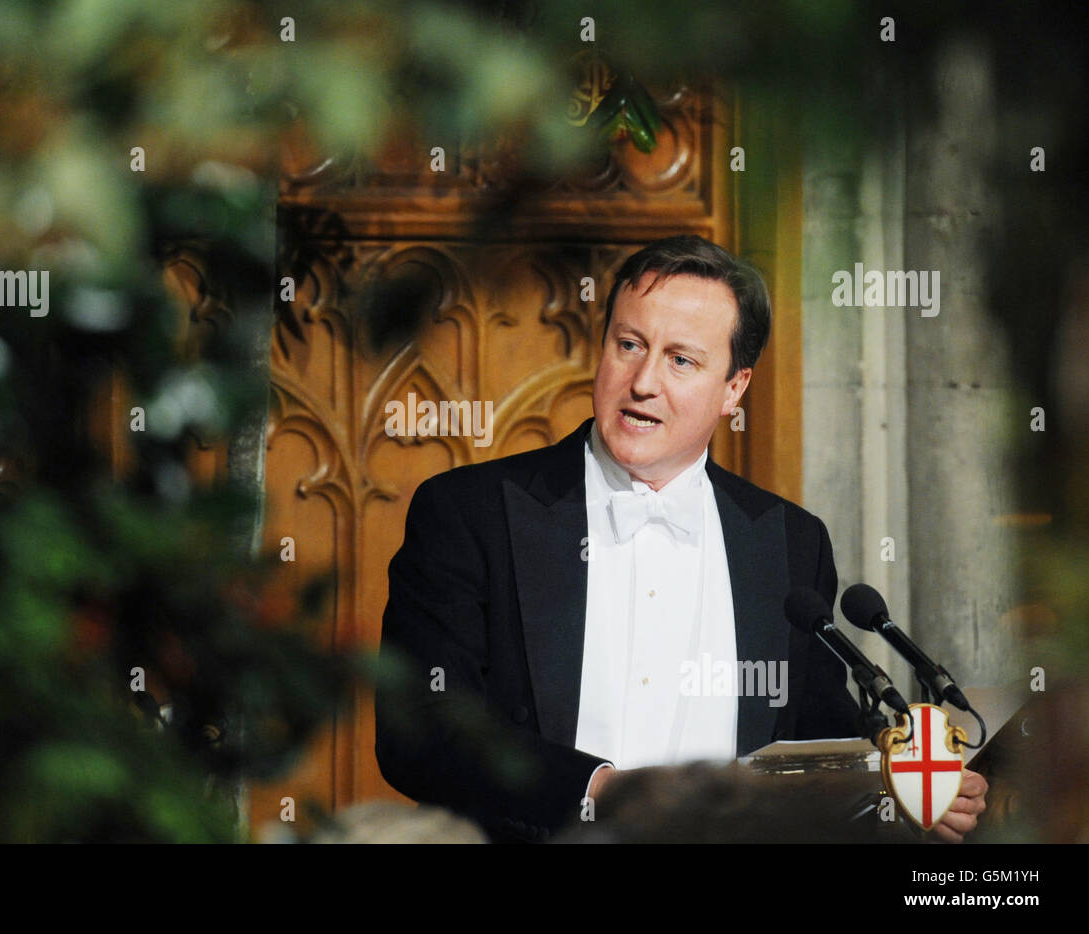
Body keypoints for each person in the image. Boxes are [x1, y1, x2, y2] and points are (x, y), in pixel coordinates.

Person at [375, 235, 987, 843]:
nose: (644, 382)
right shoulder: (470, 513)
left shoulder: (789, 543)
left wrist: (907, 794)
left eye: (681, 361)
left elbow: (813, 750)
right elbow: (419, 732)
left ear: (734, 389)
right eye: (630, 345)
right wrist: (597, 792)